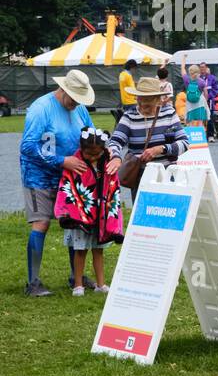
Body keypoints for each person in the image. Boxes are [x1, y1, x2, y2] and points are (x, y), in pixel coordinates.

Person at [20, 70, 96, 296]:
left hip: (70, 177)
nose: (76, 103)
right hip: (39, 176)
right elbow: (27, 146)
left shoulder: (80, 108)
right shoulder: (40, 109)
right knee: (41, 223)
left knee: (74, 223)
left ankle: (77, 278)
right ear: (63, 90)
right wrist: (62, 161)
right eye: (74, 97)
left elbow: (90, 135)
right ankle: (33, 283)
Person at [55, 127, 123, 296]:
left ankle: (100, 284)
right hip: (81, 218)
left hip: (100, 217)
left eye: (96, 154)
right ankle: (78, 285)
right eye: (89, 154)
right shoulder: (75, 163)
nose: (93, 157)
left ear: (103, 150)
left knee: (99, 250)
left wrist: (111, 215)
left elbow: (113, 188)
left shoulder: (107, 163)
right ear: (82, 148)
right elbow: (67, 187)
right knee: (80, 250)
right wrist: (68, 214)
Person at [105, 76, 189, 192]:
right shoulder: (129, 116)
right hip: (139, 176)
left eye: (148, 100)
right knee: (141, 209)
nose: (143, 103)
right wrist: (115, 157)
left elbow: (184, 143)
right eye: (140, 98)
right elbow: (115, 142)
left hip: (167, 174)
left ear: (158, 99)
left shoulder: (169, 113)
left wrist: (161, 149)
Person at [184, 65, 209, 131]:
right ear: (198, 71)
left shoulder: (187, 79)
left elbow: (182, 71)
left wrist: (184, 59)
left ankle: (191, 138)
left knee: (190, 122)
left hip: (190, 104)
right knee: (200, 122)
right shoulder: (201, 81)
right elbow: (206, 93)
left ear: (190, 72)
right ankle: (200, 139)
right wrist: (205, 101)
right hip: (200, 103)